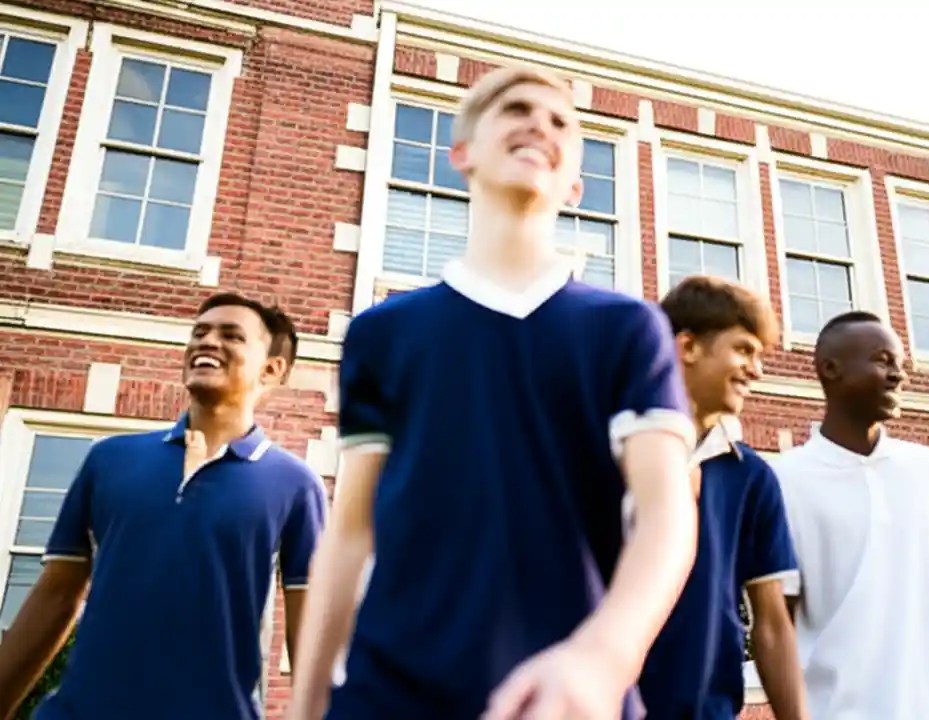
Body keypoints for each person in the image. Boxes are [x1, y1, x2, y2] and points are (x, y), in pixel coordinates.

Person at [285, 66, 697, 720]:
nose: (540, 124)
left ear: (576, 184)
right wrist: (305, 708)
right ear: (462, 154)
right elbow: (350, 532)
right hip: (388, 696)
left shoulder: (626, 330)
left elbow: (668, 515)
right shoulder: (383, 333)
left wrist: (602, 658)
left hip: (566, 703)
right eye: (515, 109)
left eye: (562, 121)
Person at [0, 292, 327, 719]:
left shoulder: (295, 484)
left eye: (231, 335)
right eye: (200, 332)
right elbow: (56, 593)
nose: (207, 342)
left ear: (272, 368)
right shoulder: (110, 459)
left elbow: (311, 638)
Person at [769, 310, 929, 720]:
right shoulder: (783, 478)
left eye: (900, 365)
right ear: (830, 369)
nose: (898, 376)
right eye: (883, 360)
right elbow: (780, 620)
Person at [638, 275, 808, 719]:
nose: (757, 369)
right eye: (743, 350)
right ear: (688, 346)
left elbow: (771, 624)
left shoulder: (752, 476)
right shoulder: (607, 449)